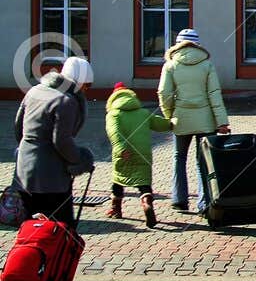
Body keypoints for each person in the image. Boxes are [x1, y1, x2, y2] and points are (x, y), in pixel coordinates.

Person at [12, 56, 95, 227]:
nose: (86, 90)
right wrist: (80, 159)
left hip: (23, 172)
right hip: (51, 178)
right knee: (58, 229)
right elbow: (61, 141)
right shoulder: (66, 101)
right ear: (78, 82)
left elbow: (18, 127)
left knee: (29, 227)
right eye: (87, 85)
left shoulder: (34, 91)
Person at [158, 29, 230, 213]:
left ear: (178, 43)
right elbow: (214, 94)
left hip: (181, 118)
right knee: (203, 161)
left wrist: (169, 115)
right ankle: (204, 202)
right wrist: (221, 121)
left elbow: (164, 93)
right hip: (205, 120)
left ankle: (179, 199)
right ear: (197, 44)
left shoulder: (171, 65)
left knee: (179, 158)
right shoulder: (207, 64)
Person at [105, 82, 172, 228]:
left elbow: (114, 132)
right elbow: (159, 124)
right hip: (143, 153)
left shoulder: (113, 114)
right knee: (143, 181)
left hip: (124, 153)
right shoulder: (143, 113)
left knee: (118, 179)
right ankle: (146, 201)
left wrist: (121, 147)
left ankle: (116, 209)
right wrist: (171, 123)